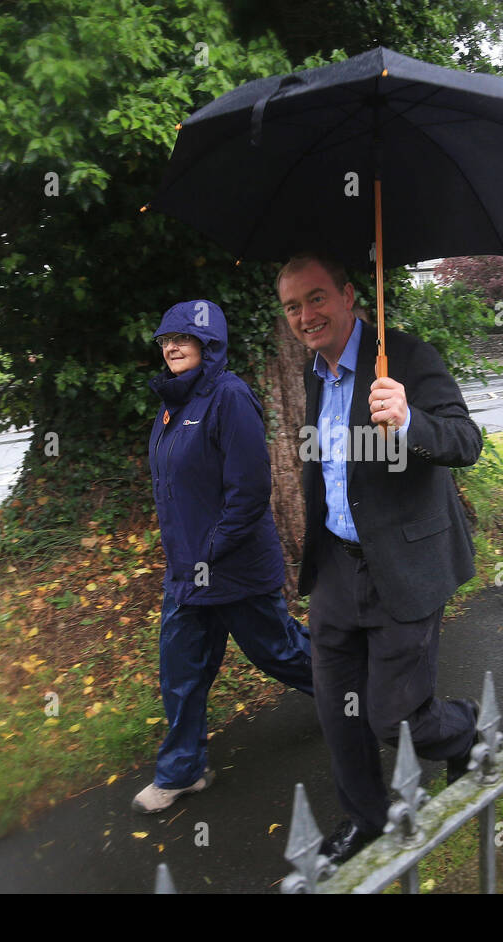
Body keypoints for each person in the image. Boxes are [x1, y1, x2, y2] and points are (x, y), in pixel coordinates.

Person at [276, 252, 483, 863]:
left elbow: (466, 441)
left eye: (316, 298)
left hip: (406, 563)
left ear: (347, 296)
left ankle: (464, 728)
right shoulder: (315, 371)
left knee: (396, 720)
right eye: (293, 306)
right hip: (339, 566)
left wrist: (410, 419)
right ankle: (367, 819)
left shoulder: (407, 358)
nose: (306, 315)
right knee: (338, 710)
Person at [134, 299, 314, 814]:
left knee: (278, 653)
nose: (171, 347)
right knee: (180, 670)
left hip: (234, 570)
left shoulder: (230, 398)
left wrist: (208, 554)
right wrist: (183, 558)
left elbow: (249, 493)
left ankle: (356, 691)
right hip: (187, 573)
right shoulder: (171, 405)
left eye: (183, 339)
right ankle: (182, 771)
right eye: (166, 340)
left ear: (210, 346)